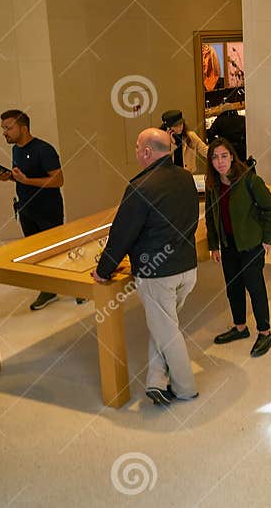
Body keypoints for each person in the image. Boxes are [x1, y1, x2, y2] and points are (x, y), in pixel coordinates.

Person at [92, 128, 200, 407]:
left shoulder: (140, 188)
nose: (136, 151)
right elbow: (192, 219)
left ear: (148, 152)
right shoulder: (185, 177)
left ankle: (186, 388)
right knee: (164, 325)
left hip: (157, 274)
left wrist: (103, 270)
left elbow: (121, 236)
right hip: (187, 267)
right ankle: (156, 380)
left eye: (138, 146)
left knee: (167, 331)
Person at [205, 138, 271, 358]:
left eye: (224, 156)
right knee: (233, 287)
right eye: (215, 157)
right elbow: (211, 216)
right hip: (228, 245)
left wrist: (267, 239)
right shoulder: (213, 185)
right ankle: (240, 327)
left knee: (255, 287)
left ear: (232, 156)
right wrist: (214, 244)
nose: (220, 162)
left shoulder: (249, 180)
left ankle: (265, 332)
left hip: (250, 245)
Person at [0, 110, 72, 310]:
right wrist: (10, 177)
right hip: (26, 209)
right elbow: (23, 177)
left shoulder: (43, 149)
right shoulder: (16, 150)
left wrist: (27, 180)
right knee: (36, 254)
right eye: (3, 128)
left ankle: (77, 288)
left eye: (8, 128)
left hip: (48, 210)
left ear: (23, 128)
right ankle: (48, 289)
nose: (4, 132)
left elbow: (58, 179)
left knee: (57, 251)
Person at [161, 110, 208, 174]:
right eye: (175, 126)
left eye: (181, 124)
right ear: (168, 128)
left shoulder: (191, 136)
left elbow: (205, 150)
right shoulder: (162, 139)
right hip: (170, 175)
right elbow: (163, 160)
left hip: (187, 174)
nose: (179, 127)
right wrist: (172, 143)